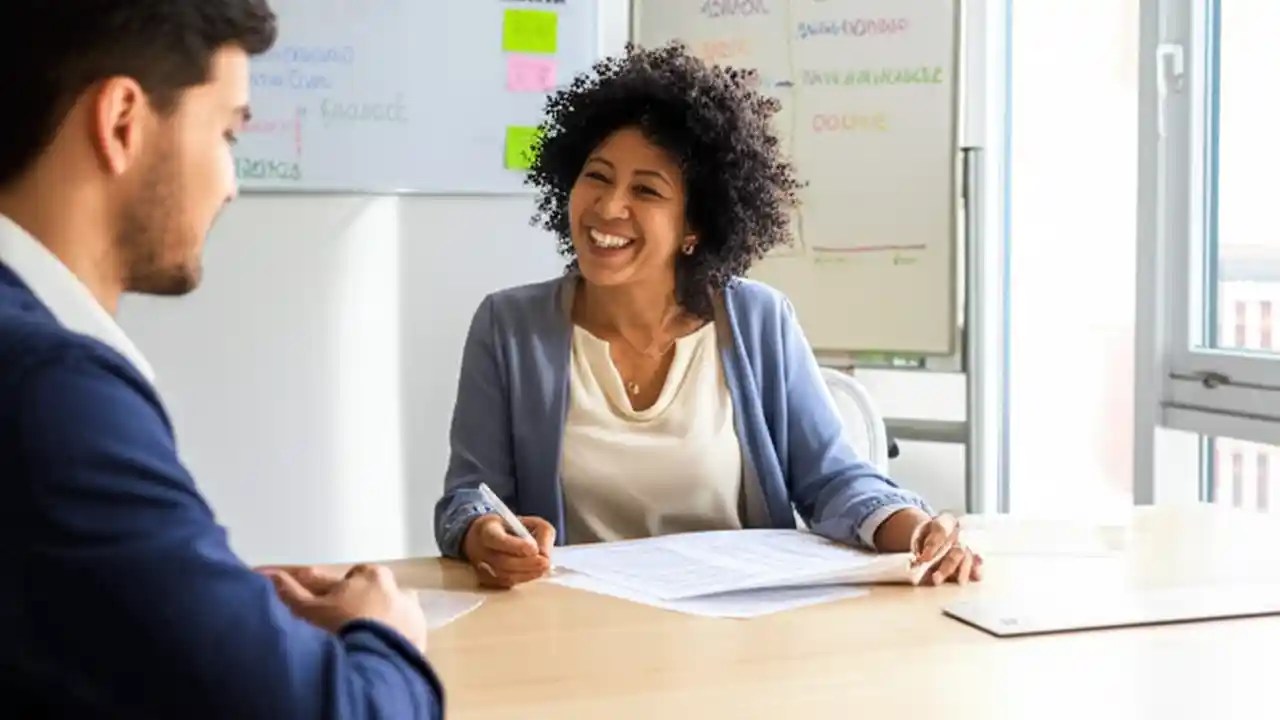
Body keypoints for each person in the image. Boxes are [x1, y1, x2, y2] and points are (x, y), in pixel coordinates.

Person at [0, 2, 442, 717]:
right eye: (228, 131)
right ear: (122, 123)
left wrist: (217, 612)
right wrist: (387, 636)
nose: (231, 182)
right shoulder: (50, 389)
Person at [435, 42, 982, 590]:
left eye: (645, 190)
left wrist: (915, 530)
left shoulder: (758, 319)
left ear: (695, 227)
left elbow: (833, 481)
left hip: (739, 623)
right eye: (597, 176)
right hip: (573, 623)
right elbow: (468, 497)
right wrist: (482, 532)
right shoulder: (508, 326)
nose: (607, 207)